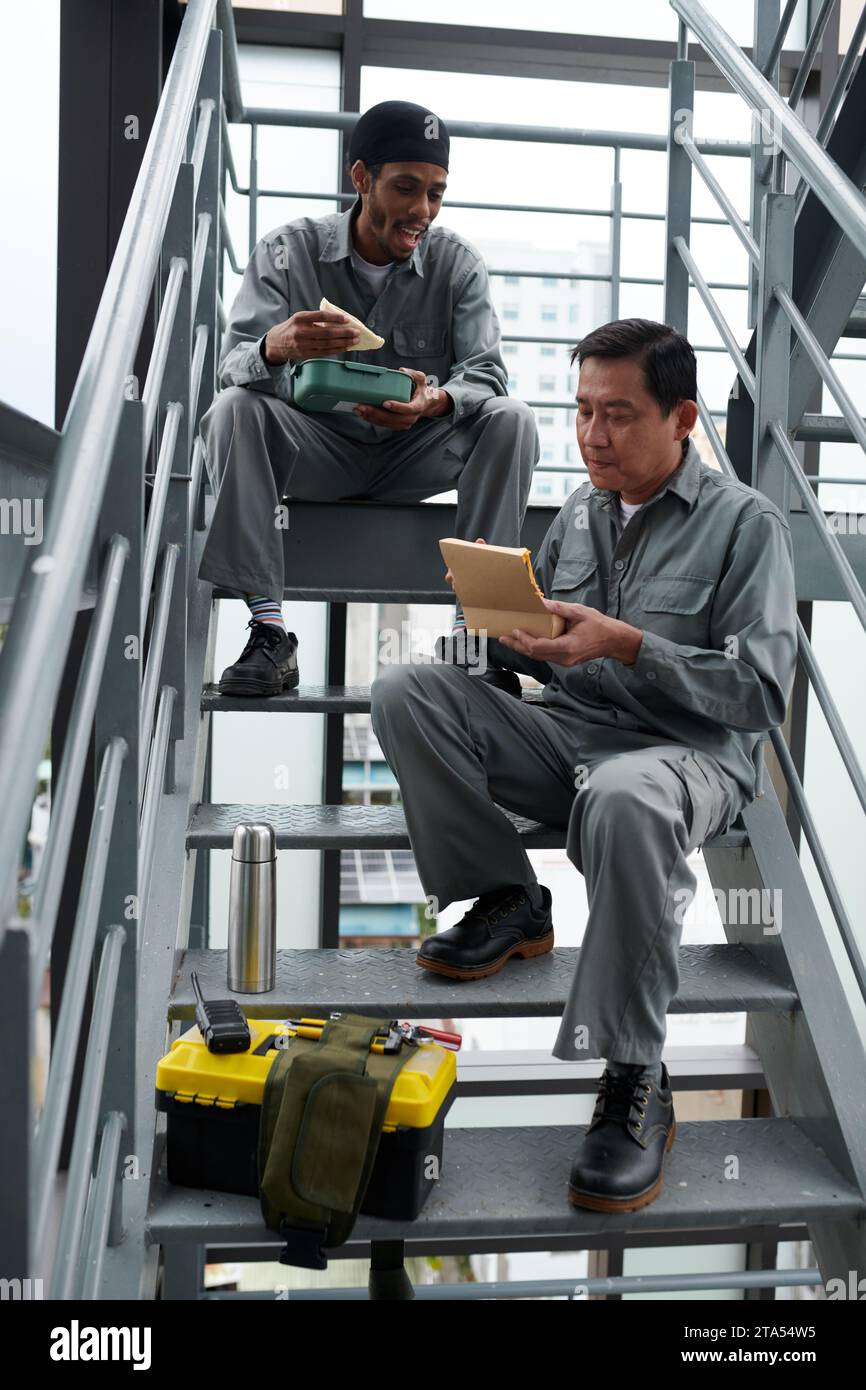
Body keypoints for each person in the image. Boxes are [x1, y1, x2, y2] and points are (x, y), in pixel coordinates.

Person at [370, 317, 798, 1212]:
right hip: (570, 735)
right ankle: (509, 900)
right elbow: (556, 656)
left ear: (681, 418)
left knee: (626, 796)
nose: (593, 437)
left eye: (618, 415)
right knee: (409, 689)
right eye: (581, 413)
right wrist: (505, 629)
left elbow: (760, 696)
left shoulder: (746, 526)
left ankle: (634, 1076)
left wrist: (634, 646)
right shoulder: (579, 512)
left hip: (681, 759)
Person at [197, 98, 539, 696]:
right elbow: (231, 368)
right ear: (360, 178)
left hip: (415, 454)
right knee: (234, 409)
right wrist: (276, 346)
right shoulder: (288, 252)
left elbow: (487, 375)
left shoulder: (458, 266)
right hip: (316, 451)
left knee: (512, 418)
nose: (422, 210)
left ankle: (474, 637)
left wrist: (432, 402)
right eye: (406, 187)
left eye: (436, 192)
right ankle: (269, 632)